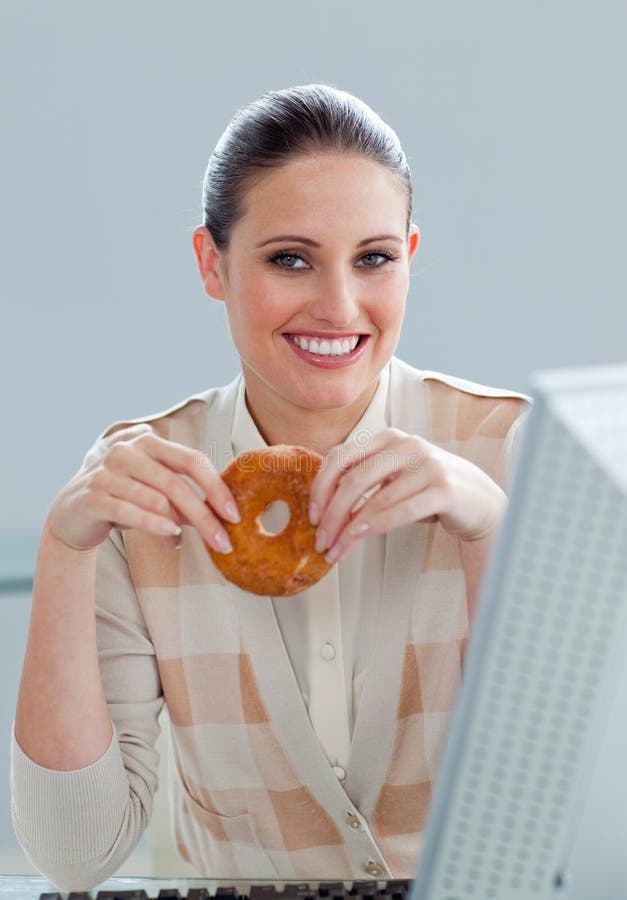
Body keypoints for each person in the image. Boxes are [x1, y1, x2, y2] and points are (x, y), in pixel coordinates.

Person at [11, 83, 531, 891]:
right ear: (210, 264)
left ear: (410, 258)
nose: (338, 305)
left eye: (373, 258)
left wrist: (492, 531)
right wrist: (63, 549)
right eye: (290, 258)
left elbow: (568, 818)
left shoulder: (514, 454)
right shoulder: (139, 484)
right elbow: (76, 854)